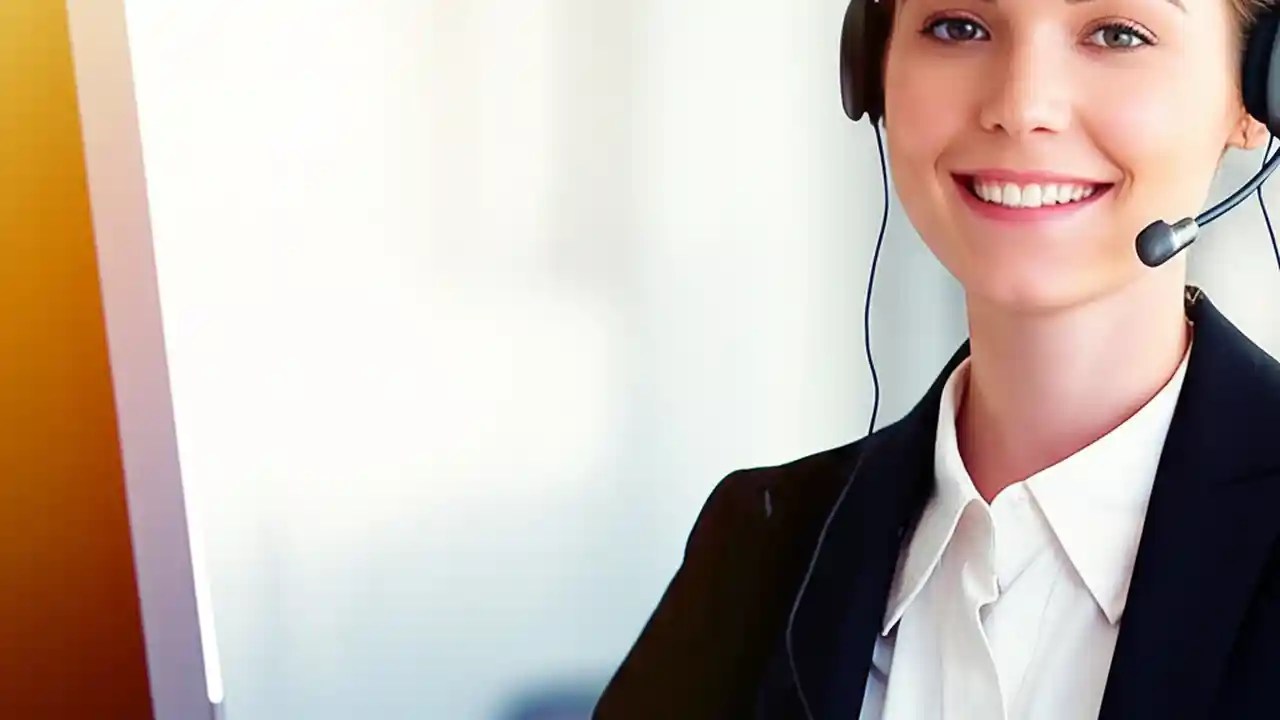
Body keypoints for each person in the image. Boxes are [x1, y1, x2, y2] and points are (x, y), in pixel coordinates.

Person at [592, 0, 1280, 716]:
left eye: (1117, 34)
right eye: (959, 26)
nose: (1022, 106)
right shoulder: (759, 553)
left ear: (1259, 88)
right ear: (872, 67)